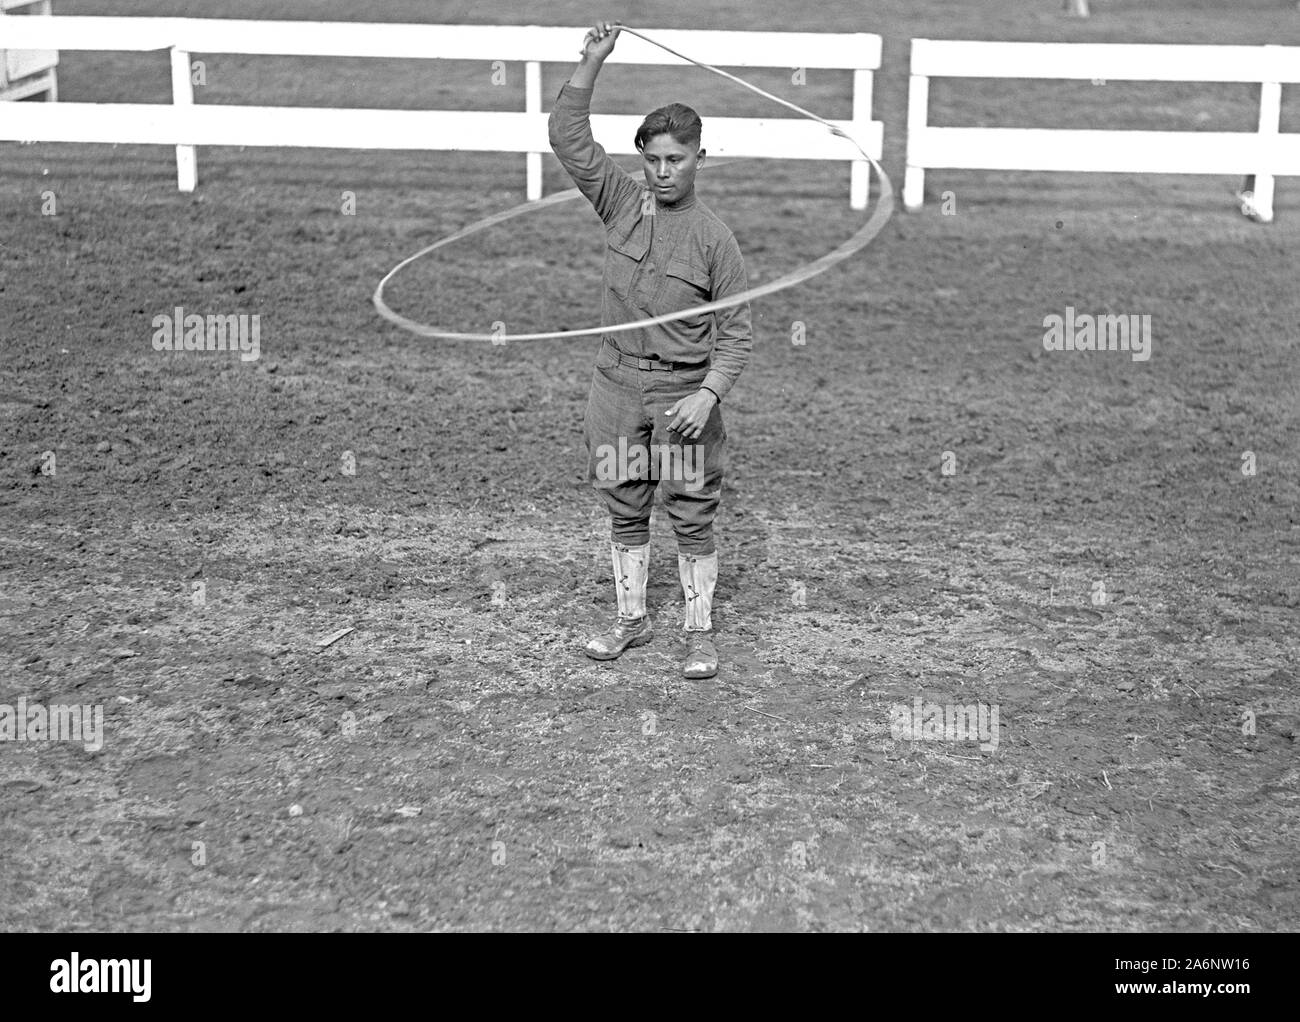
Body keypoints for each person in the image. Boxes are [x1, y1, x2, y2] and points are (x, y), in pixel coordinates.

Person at [548, 21, 753, 680]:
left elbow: (738, 333)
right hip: (615, 388)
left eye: (676, 159)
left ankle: (699, 632)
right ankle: (630, 621)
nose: (663, 172)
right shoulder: (620, 206)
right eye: (653, 159)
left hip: (683, 397)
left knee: (692, 510)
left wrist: (707, 394)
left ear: (699, 158)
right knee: (623, 498)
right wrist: (591, 62)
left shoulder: (716, 240)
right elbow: (568, 139)